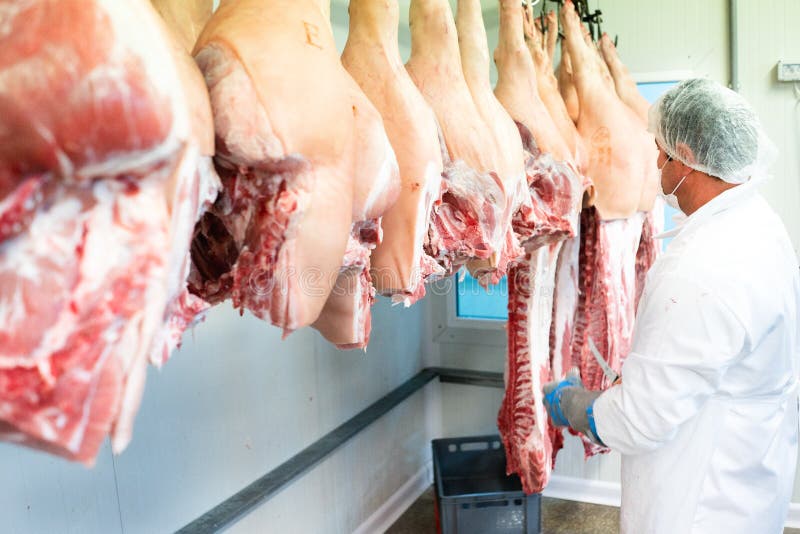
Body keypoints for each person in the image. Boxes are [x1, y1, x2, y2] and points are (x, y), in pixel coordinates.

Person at [542, 78, 800, 533]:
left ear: (686, 155)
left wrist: (579, 406)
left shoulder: (703, 267)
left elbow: (640, 420)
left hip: (698, 503)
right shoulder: (759, 223)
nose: (656, 161)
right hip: (747, 479)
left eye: (661, 150)